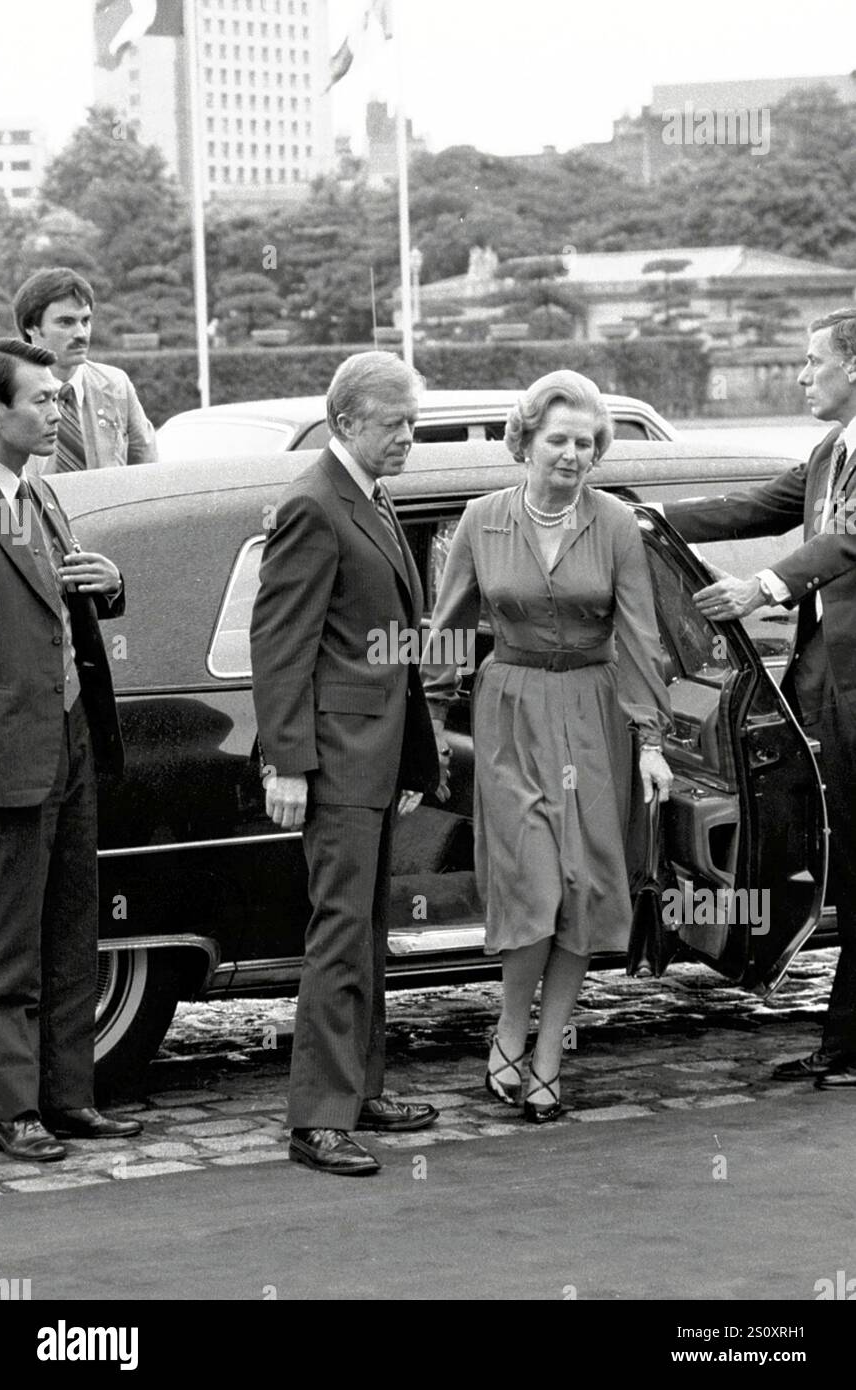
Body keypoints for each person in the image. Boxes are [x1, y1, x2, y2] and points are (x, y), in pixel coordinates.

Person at [423, 370, 673, 1122]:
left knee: (582, 887)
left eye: (585, 443)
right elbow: (447, 629)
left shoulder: (617, 524)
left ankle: (551, 1050)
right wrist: (429, 726)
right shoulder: (480, 518)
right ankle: (507, 1029)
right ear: (525, 440)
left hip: (594, 714)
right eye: (557, 439)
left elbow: (638, 635)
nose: (571, 454)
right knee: (531, 881)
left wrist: (651, 740)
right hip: (511, 713)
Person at [250, 351, 444, 1177]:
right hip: (332, 763)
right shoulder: (313, 506)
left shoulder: (370, 496)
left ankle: (360, 1088)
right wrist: (287, 765)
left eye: (411, 424)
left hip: (371, 757)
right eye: (393, 425)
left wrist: (408, 758)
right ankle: (318, 1119)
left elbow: (386, 649)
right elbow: (280, 644)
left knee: (367, 935)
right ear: (344, 423)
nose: (407, 438)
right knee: (337, 937)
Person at [664, 307, 856, 1088]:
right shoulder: (828, 453)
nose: (802, 375)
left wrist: (764, 586)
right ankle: (844, 1048)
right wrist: (628, 519)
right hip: (826, 690)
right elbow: (753, 507)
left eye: (813, 361)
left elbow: (846, 539)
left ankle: (844, 1047)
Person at [0, 339, 142, 1162]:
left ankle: (69, 1097)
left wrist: (106, 584)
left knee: (74, 929)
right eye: (41, 400)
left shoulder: (42, 496)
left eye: (57, 397)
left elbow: (57, 600)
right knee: (8, 944)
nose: (57, 411)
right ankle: (12, 1109)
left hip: (73, 737)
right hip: (7, 751)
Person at [13, 266, 157, 473]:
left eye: (86, 321)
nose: (81, 333)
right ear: (31, 327)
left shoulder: (116, 385)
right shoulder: (2, 391)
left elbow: (147, 470)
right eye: (66, 322)